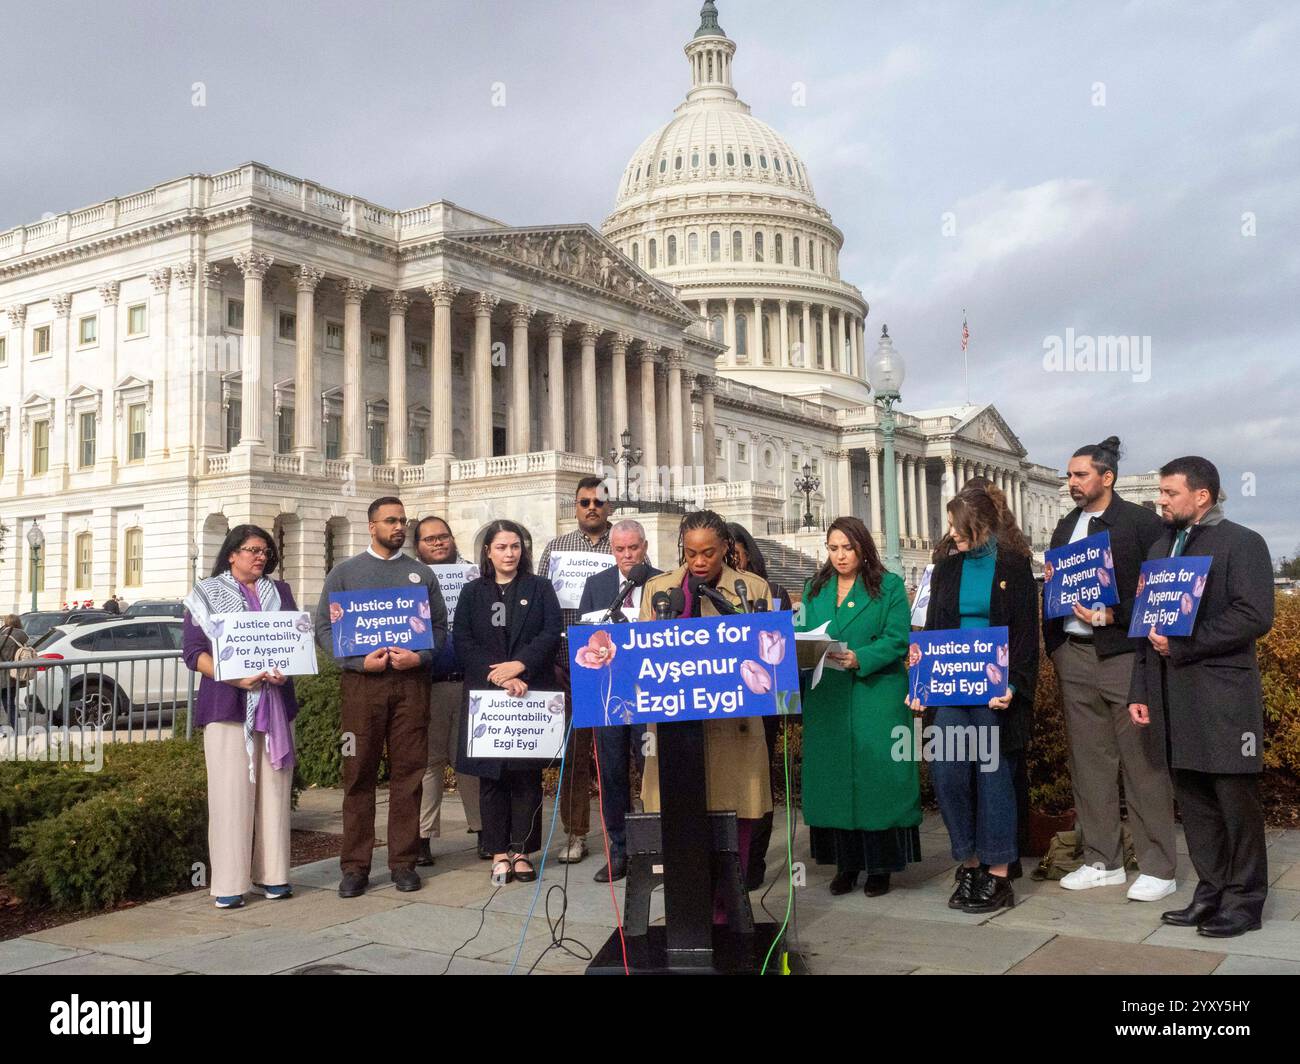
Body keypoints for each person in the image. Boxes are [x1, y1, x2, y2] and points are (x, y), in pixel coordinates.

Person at [1129, 457, 1275, 938]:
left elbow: (1254, 615)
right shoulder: (1159, 547)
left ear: (1202, 495)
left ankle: (1245, 900)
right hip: (1171, 697)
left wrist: (1186, 645)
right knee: (1193, 803)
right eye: (1161, 492)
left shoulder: (1243, 542)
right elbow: (1146, 629)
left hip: (1222, 698)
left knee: (1234, 803)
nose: (1161, 500)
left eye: (1170, 492)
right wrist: (1140, 689)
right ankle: (1210, 892)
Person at [1046, 437, 1176, 901]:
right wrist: (1056, 644)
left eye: (1080, 475)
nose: (1071, 483)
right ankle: (1102, 861)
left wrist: (1113, 617)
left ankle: (1159, 866)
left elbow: (1156, 590)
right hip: (1074, 656)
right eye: (1069, 475)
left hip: (1123, 655)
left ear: (1107, 477)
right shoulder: (1065, 526)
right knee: (1089, 765)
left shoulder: (1140, 523)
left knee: (1142, 764)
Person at [639, 510, 773, 920]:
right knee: (681, 824)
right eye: (691, 552)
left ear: (727, 549)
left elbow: (768, 655)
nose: (699, 562)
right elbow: (643, 655)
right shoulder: (657, 589)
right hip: (677, 730)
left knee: (737, 821)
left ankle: (726, 912)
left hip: (735, 727)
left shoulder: (751, 589)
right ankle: (687, 912)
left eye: (709, 553)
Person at [314, 496, 447, 899]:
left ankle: (403, 863)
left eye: (402, 521)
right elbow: (323, 629)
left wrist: (419, 655)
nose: (399, 527)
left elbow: (439, 628)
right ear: (371, 526)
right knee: (358, 776)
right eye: (391, 521)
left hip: (410, 685)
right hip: (362, 686)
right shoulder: (345, 573)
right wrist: (355, 662)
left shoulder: (420, 574)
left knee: (409, 775)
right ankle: (355, 867)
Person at [917, 490, 1038, 913]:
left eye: (958, 526)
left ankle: (998, 873)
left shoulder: (1015, 567)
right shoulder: (945, 569)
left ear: (982, 525)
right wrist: (920, 685)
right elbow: (931, 630)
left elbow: (1025, 635)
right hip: (950, 689)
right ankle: (969, 863)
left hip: (995, 691)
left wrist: (1016, 685)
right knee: (948, 775)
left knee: (993, 778)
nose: (951, 534)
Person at [798, 516, 920, 897]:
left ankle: (880, 868)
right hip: (829, 695)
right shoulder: (814, 588)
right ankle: (845, 866)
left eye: (847, 548)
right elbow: (802, 633)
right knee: (835, 782)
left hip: (875, 695)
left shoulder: (890, 586)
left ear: (863, 547)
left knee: (877, 781)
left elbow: (898, 638)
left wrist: (861, 657)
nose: (839, 556)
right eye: (833, 548)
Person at [182, 525, 299, 909]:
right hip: (227, 705)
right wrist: (233, 675)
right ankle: (230, 883)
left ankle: (274, 876)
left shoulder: (280, 591)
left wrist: (287, 667)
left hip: (276, 702)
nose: (260, 556)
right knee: (231, 795)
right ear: (231, 553)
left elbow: (292, 642)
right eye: (252, 550)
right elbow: (193, 652)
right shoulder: (206, 594)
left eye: (265, 550)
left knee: (274, 792)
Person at [454, 520, 562, 884]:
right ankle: (498, 851)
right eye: (501, 547)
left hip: (529, 693)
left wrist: (521, 666)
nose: (509, 553)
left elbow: (551, 632)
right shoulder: (473, 593)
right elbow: (463, 640)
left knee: (525, 777)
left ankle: (522, 852)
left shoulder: (540, 588)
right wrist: (499, 675)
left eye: (515, 546)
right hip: (488, 698)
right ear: (488, 552)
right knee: (492, 778)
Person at [576, 518, 660, 883]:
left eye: (634, 548)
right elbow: (583, 635)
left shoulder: (663, 582)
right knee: (611, 774)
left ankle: (658, 850)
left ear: (645, 546)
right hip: (609, 694)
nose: (627, 555)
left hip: (650, 694)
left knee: (652, 773)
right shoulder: (596, 586)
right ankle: (620, 850)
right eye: (620, 549)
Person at [536, 475, 614, 864]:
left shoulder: (625, 544)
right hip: (568, 664)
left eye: (598, 502)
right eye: (584, 502)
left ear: (609, 506)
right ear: (576, 506)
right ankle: (575, 833)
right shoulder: (557, 548)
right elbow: (541, 605)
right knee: (575, 755)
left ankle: (626, 831)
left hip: (615, 664)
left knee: (620, 754)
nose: (591, 508)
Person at [413, 515, 485, 865]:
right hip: (429, 682)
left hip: (470, 681)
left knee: (471, 762)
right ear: (418, 546)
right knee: (429, 763)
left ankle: (483, 830)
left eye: (443, 537)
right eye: (430, 539)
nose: (438, 543)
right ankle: (424, 836)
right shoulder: (411, 580)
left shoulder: (473, 575)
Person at [727, 522, 790, 890]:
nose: (733, 560)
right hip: (723, 703)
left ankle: (755, 860)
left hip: (761, 700)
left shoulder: (772, 590)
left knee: (758, 782)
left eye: (736, 553)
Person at [0, 615, 31, 723]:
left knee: (7, 702)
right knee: (10, 703)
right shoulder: (22, 635)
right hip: (14, 674)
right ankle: (17, 729)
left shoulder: (2, 634)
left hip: (2, 673)